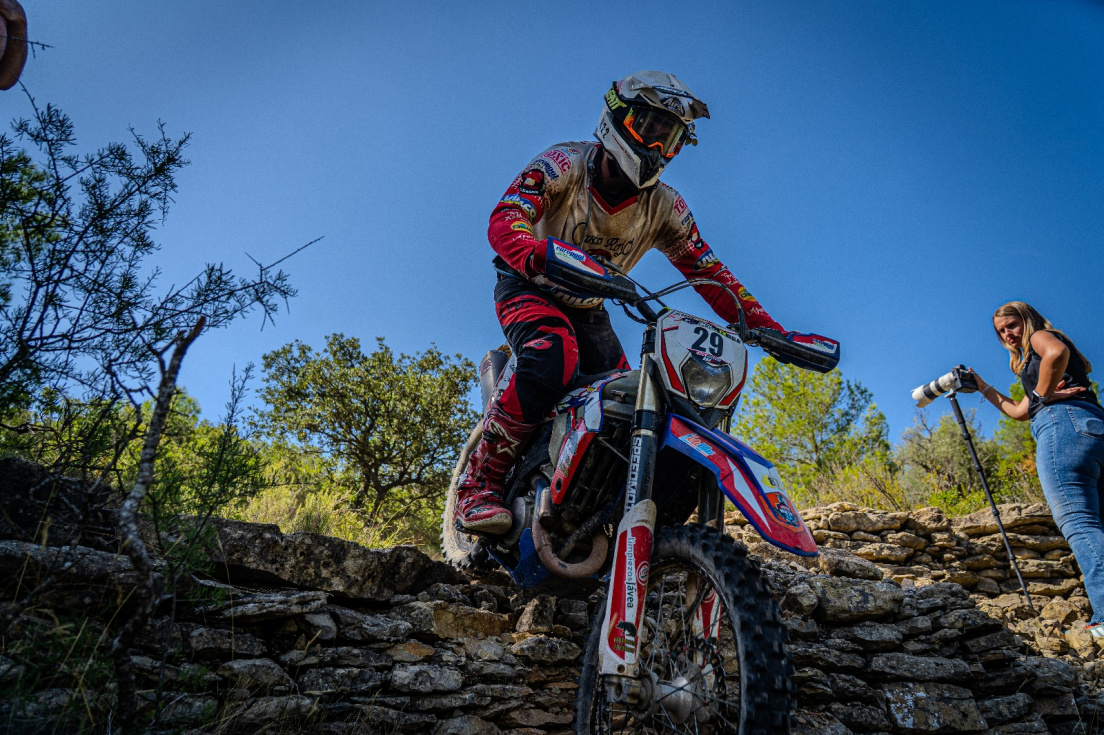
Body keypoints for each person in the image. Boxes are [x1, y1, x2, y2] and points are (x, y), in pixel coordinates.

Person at [456, 70, 791, 534]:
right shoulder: (562, 164)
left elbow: (711, 273)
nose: (656, 147)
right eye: (647, 128)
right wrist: (535, 252)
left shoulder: (666, 208)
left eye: (669, 137)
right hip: (527, 284)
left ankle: (599, 512)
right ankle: (479, 484)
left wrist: (769, 329)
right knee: (551, 354)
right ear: (616, 119)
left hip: (591, 304)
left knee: (625, 400)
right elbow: (507, 215)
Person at [969, 301, 1104, 636]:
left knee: (1077, 519)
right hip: (1092, 425)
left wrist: (1043, 398)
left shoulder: (1042, 337)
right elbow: (1019, 411)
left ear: (1027, 321)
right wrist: (983, 387)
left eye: (1012, 325)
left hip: (1065, 427)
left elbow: (1055, 352)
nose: (1007, 335)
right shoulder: (1035, 368)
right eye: (1001, 331)